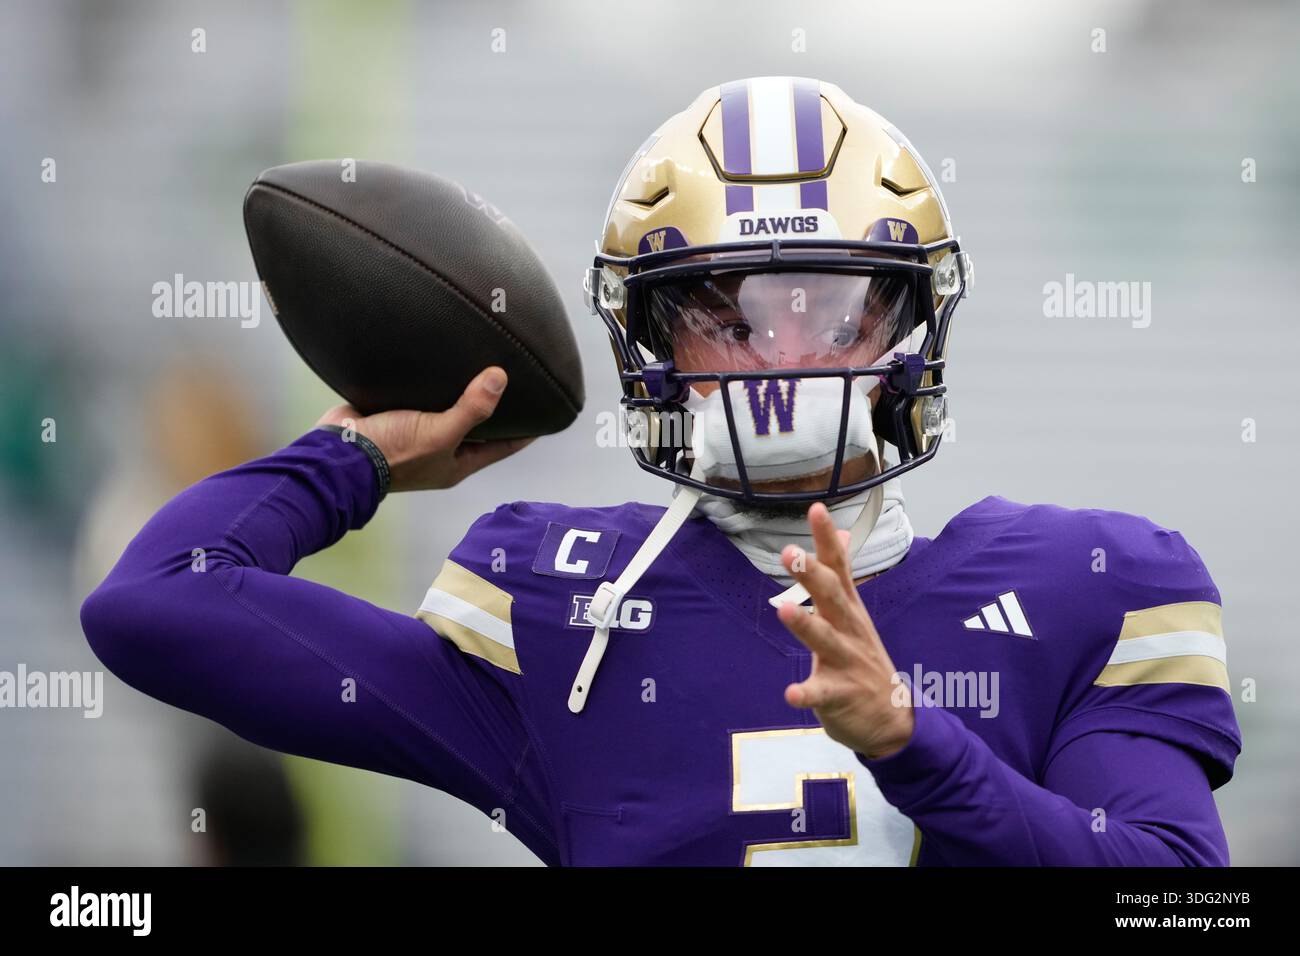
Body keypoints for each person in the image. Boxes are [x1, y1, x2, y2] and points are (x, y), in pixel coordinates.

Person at [81, 78, 1239, 866]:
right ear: (647, 342)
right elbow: (155, 599)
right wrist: (362, 456)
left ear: (907, 323)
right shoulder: (567, 610)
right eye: (722, 315)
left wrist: (910, 739)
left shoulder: (1087, 585)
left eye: (824, 308)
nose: (778, 352)